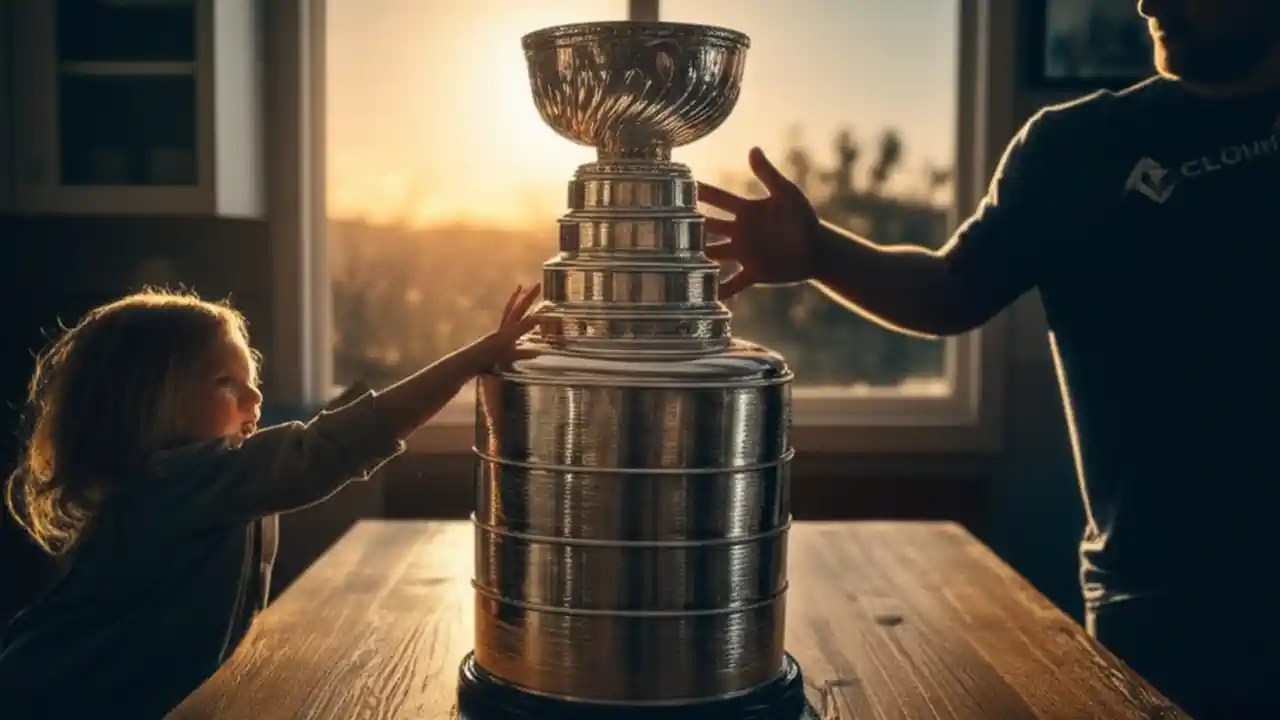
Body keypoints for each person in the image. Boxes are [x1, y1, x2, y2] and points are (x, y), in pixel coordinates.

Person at [698, 0, 1278, 716]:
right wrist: (819, 253)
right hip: (1162, 609)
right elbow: (951, 292)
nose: (1149, 3)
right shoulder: (1076, 147)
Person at [0, 283, 542, 718]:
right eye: (225, 382)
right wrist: (473, 359)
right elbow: (329, 450)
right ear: (147, 404)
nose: (254, 398)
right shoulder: (177, 483)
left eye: (251, 378)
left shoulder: (208, 482)